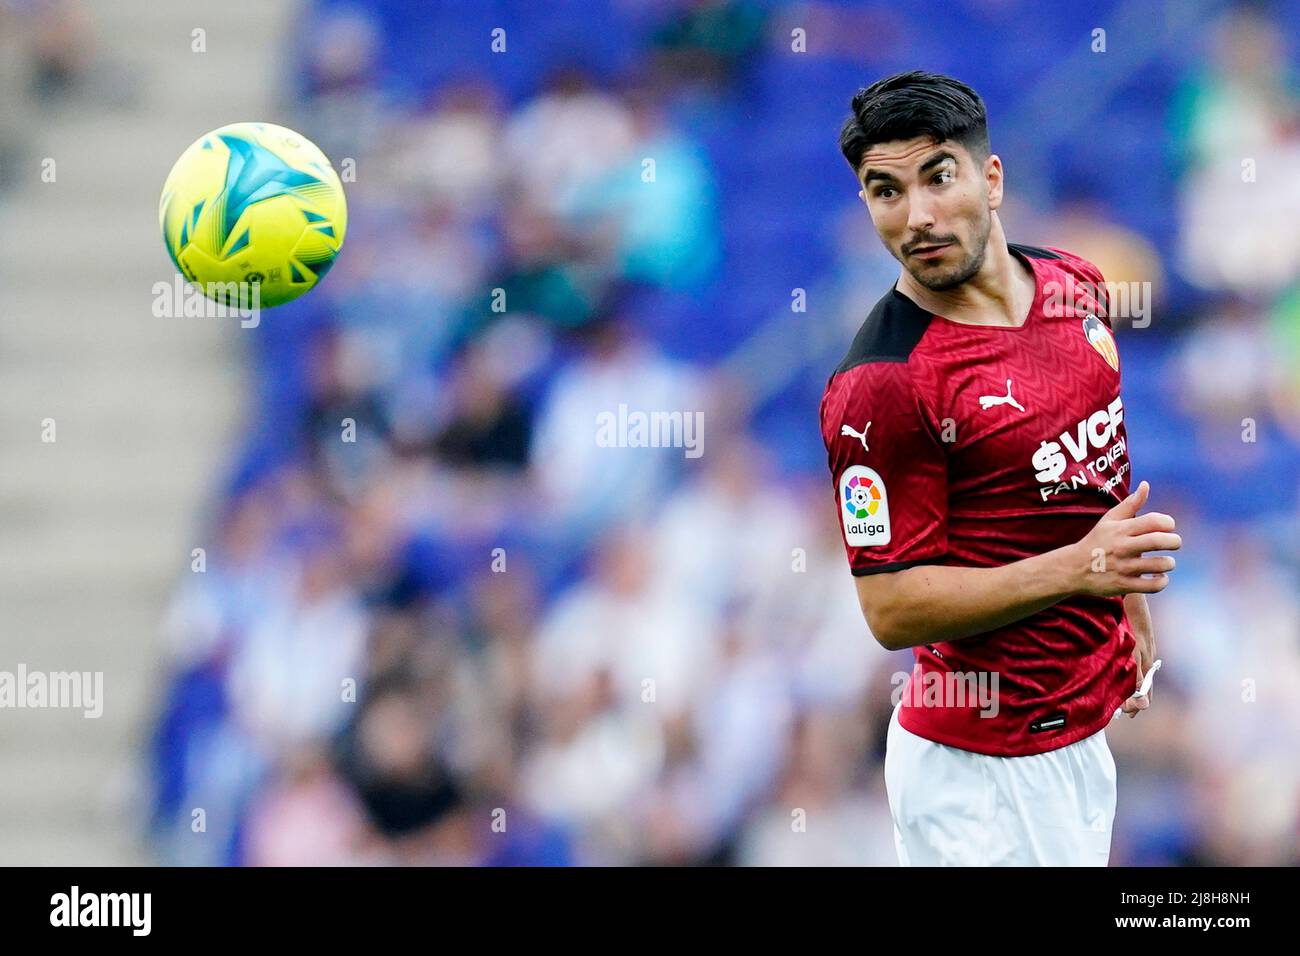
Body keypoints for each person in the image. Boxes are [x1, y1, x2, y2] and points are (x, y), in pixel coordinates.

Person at [820, 71, 1180, 865]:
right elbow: (892, 610)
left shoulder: (1074, 284)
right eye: (885, 191)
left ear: (990, 178)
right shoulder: (882, 383)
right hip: (979, 774)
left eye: (937, 177)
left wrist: (1123, 599)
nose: (916, 217)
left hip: (1075, 743)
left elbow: (1090, 465)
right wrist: (1082, 567)